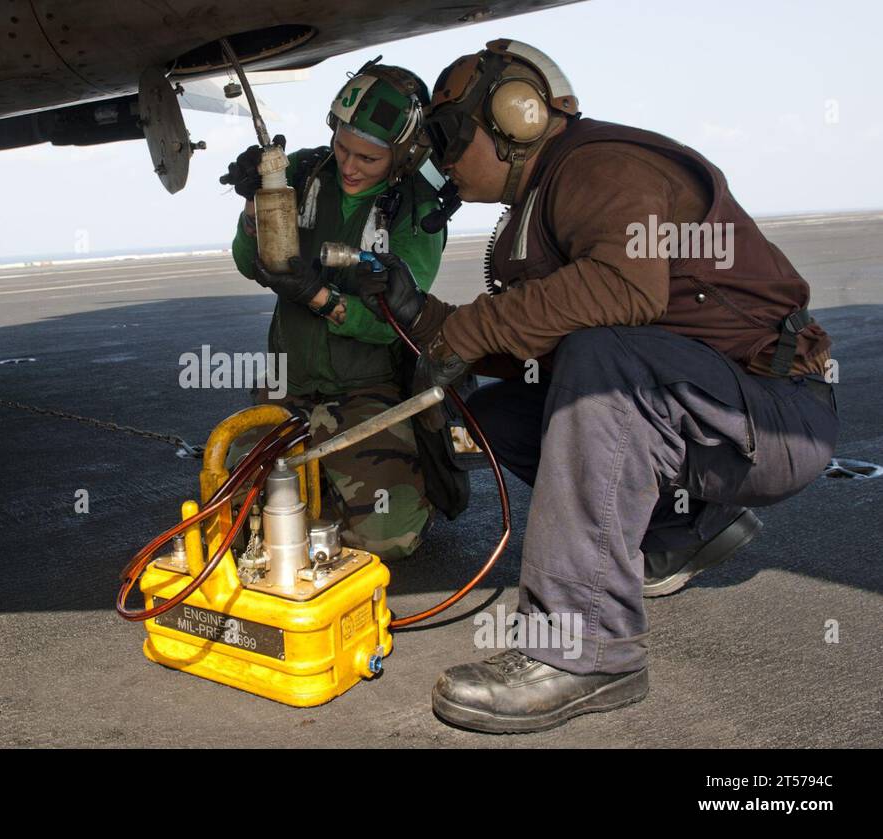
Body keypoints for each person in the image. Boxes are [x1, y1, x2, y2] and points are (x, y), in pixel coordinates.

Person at [359, 39, 838, 732]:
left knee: (601, 361)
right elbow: (529, 338)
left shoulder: (600, 166)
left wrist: (470, 331)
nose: (445, 160)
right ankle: (682, 526)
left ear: (515, 117)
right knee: (502, 413)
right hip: (715, 416)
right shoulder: (543, 199)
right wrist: (419, 315)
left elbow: (621, 289)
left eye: (450, 138)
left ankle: (584, 651)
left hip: (777, 415)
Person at [223, 61, 449, 560]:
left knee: (387, 538)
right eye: (342, 148)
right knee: (235, 526)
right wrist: (251, 205)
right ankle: (320, 481)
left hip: (366, 392)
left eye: (368, 158)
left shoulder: (417, 213)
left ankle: (383, 484)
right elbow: (247, 261)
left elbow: (396, 324)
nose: (349, 165)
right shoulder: (302, 173)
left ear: (404, 154)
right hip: (288, 386)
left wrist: (318, 297)